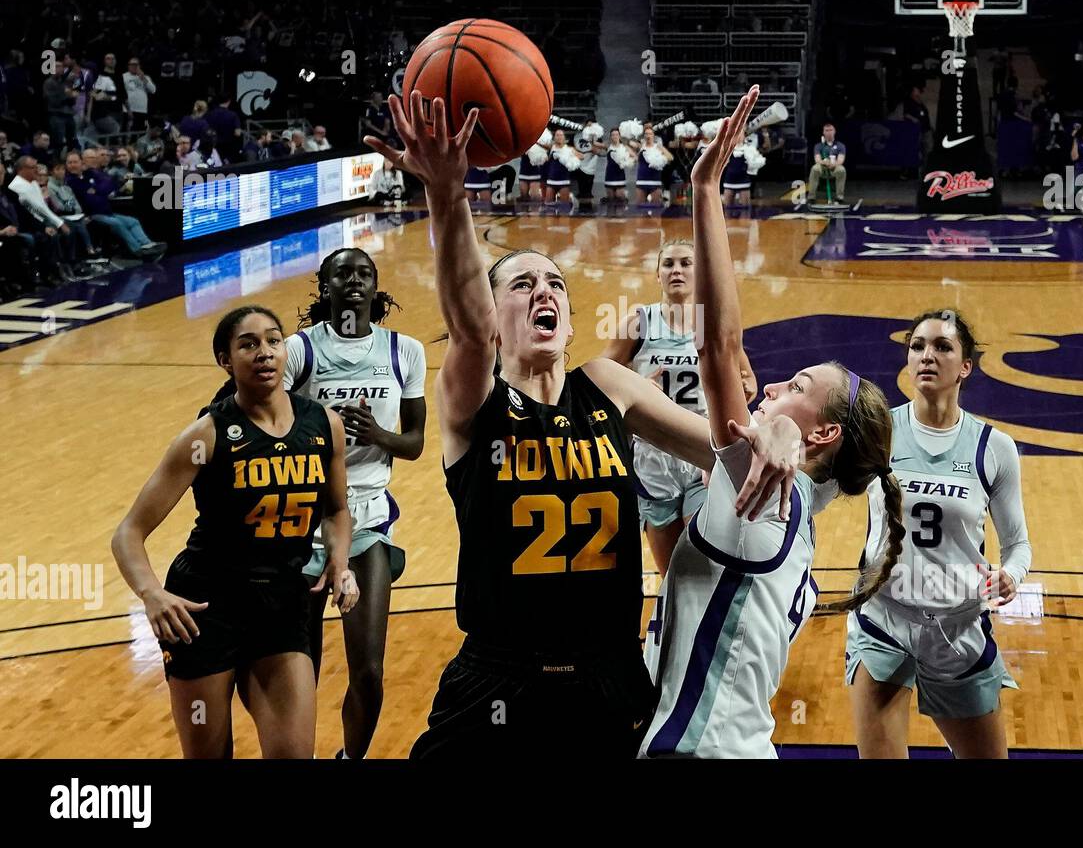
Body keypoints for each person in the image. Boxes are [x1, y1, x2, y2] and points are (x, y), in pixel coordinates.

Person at [362, 91, 802, 758]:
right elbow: (470, 335)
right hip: (499, 676)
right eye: (521, 284)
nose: (544, 291)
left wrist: (776, 435)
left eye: (556, 285)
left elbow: (722, 445)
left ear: (569, 320)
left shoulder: (603, 384)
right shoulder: (471, 402)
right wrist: (449, 197)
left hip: (608, 678)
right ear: (494, 312)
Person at [639, 89, 904, 759]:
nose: (779, 383)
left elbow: (718, 347)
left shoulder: (761, 498)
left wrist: (706, 193)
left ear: (822, 435)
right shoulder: (794, 503)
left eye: (798, 387)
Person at [110, 306, 358, 758]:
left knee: (295, 756)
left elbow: (338, 510)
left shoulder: (325, 425)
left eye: (274, 341)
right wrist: (151, 594)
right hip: (206, 608)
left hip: (282, 602)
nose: (264, 352)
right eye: (248, 344)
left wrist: (340, 560)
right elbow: (129, 532)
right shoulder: (206, 434)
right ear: (225, 360)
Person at [839, 309, 1031, 759]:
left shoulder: (994, 447)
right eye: (918, 346)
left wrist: (1012, 576)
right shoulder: (879, 431)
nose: (928, 355)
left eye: (943, 346)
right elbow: (815, 487)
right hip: (883, 619)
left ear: (966, 366)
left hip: (958, 625)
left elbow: (1018, 544)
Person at [286, 249, 427, 760]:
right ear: (324, 287)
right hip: (301, 520)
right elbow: (256, 415)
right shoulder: (298, 351)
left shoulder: (404, 351)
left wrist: (376, 433)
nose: (353, 281)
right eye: (341, 274)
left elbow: (414, 444)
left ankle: (351, 759)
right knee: (302, 669)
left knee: (368, 671)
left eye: (363, 273)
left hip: (366, 517)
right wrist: (319, 428)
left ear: (375, 286)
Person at [600, 238, 757, 573]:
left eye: (686, 263)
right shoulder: (638, 322)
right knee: (671, 571)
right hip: (653, 455)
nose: (677, 270)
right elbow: (601, 383)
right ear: (657, 274)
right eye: (668, 264)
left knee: (704, 559)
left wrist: (737, 392)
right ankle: (670, 621)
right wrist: (636, 389)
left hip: (703, 450)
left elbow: (748, 382)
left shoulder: (714, 324)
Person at [64, 150, 166, 260]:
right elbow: (90, 200)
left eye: (75, 162)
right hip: (93, 214)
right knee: (117, 223)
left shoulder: (90, 173)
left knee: (133, 221)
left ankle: (148, 245)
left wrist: (97, 190)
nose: (72, 165)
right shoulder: (70, 181)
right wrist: (101, 193)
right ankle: (139, 251)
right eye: (70, 163)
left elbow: (110, 183)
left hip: (107, 211)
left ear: (81, 163)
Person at [5, 158, 73, 283]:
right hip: (26, 224)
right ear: (22, 170)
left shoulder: (33, 183)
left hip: (38, 220)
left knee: (68, 227)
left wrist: (57, 222)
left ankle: (67, 265)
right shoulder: (16, 186)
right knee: (48, 236)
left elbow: (43, 207)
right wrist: (50, 225)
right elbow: (32, 211)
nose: (37, 170)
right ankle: (49, 272)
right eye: (33, 167)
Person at [808, 122, 847, 203]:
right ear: (823, 132)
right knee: (814, 168)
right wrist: (824, 162)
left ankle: (839, 197)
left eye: (831, 130)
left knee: (842, 170)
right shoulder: (818, 146)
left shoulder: (840, 145)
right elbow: (817, 160)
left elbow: (841, 160)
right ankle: (811, 197)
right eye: (827, 130)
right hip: (822, 168)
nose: (829, 132)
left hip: (834, 168)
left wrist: (834, 164)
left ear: (834, 131)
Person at [634, 127, 672, 205]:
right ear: (644, 136)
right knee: (640, 210)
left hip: (655, 182)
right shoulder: (641, 147)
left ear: (653, 136)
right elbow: (628, 144)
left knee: (656, 211)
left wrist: (661, 153)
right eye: (646, 134)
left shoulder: (658, 147)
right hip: (641, 181)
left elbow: (670, 157)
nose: (648, 135)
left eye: (650, 134)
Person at [122, 58, 156, 133]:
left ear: (139, 66)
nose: (134, 66)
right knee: (126, 134)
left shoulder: (146, 77)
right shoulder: (123, 77)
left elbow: (153, 90)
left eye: (136, 65)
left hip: (141, 110)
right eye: (132, 64)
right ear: (128, 66)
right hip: (127, 110)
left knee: (140, 133)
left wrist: (143, 78)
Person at [543, 129, 577, 204]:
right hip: (551, 180)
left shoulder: (569, 149)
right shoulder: (551, 147)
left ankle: (570, 198)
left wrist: (570, 159)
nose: (559, 137)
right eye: (557, 135)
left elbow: (581, 157)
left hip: (564, 180)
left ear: (564, 137)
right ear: (554, 137)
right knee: (549, 206)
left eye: (561, 135)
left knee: (564, 207)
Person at [602, 127, 629, 201]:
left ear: (619, 136)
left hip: (620, 175)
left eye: (616, 134)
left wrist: (627, 161)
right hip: (609, 175)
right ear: (610, 137)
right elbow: (595, 144)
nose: (615, 136)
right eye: (613, 135)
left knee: (620, 199)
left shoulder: (624, 147)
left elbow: (635, 157)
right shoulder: (608, 146)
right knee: (610, 200)